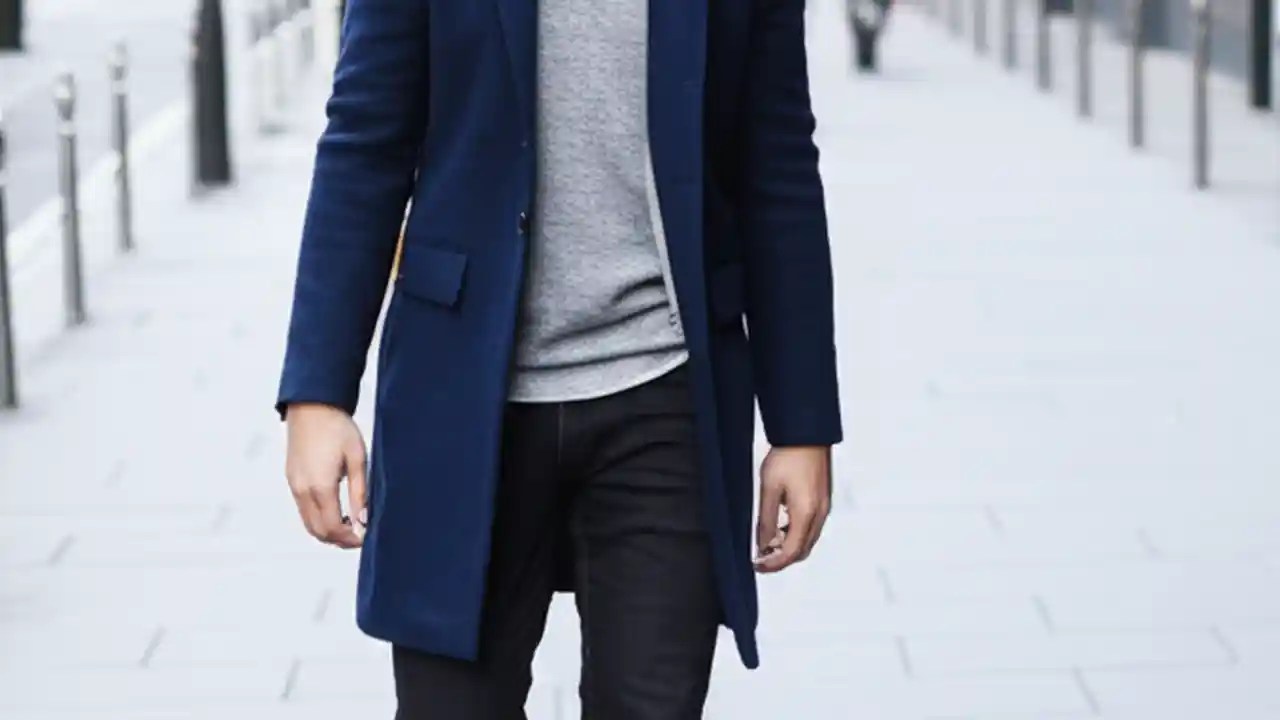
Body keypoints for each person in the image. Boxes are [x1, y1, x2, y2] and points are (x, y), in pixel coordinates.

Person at [276, 0, 843, 717]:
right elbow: (365, 141)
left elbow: (777, 156)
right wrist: (317, 394)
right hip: (464, 393)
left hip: (665, 390)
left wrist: (802, 422)